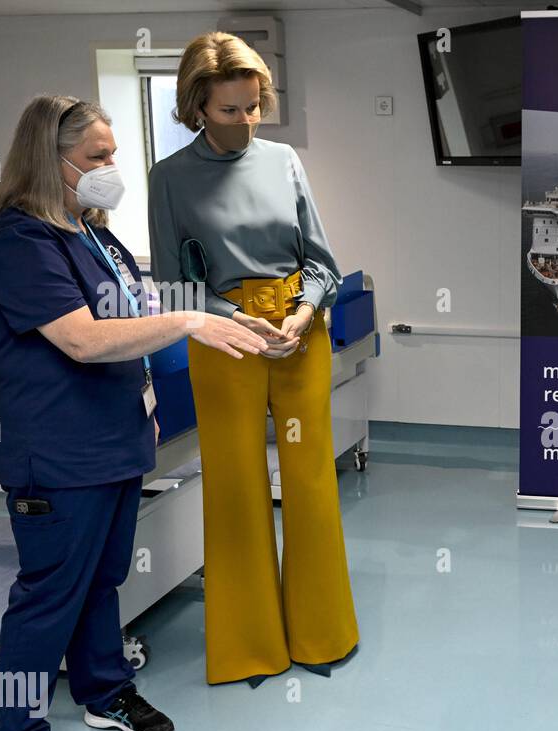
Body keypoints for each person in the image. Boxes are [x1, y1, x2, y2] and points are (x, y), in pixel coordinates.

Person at [0, 95, 267, 731]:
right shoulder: (18, 242)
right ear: (52, 158)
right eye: (97, 157)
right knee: (49, 595)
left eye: (112, 154)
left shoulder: (92, 231)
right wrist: (191, 323)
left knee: (103, 581)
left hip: (115, 439)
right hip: (55, 448)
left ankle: (104, 692)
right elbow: (79, 337)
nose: (111, 168)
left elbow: (130, 319)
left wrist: (148, 404)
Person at [149, 32, 360, 686]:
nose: (246, 121)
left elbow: (321, 261)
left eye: (254, 106)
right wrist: (236, 320)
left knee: (310, 484)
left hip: (300, 332)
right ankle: (249, 647)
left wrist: (303, 311)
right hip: (224, 338)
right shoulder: (171, 179)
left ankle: (322, 634)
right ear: (197, 109)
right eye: (230, 110)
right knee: (238, 487)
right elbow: (172, 285)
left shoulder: (284, 161)